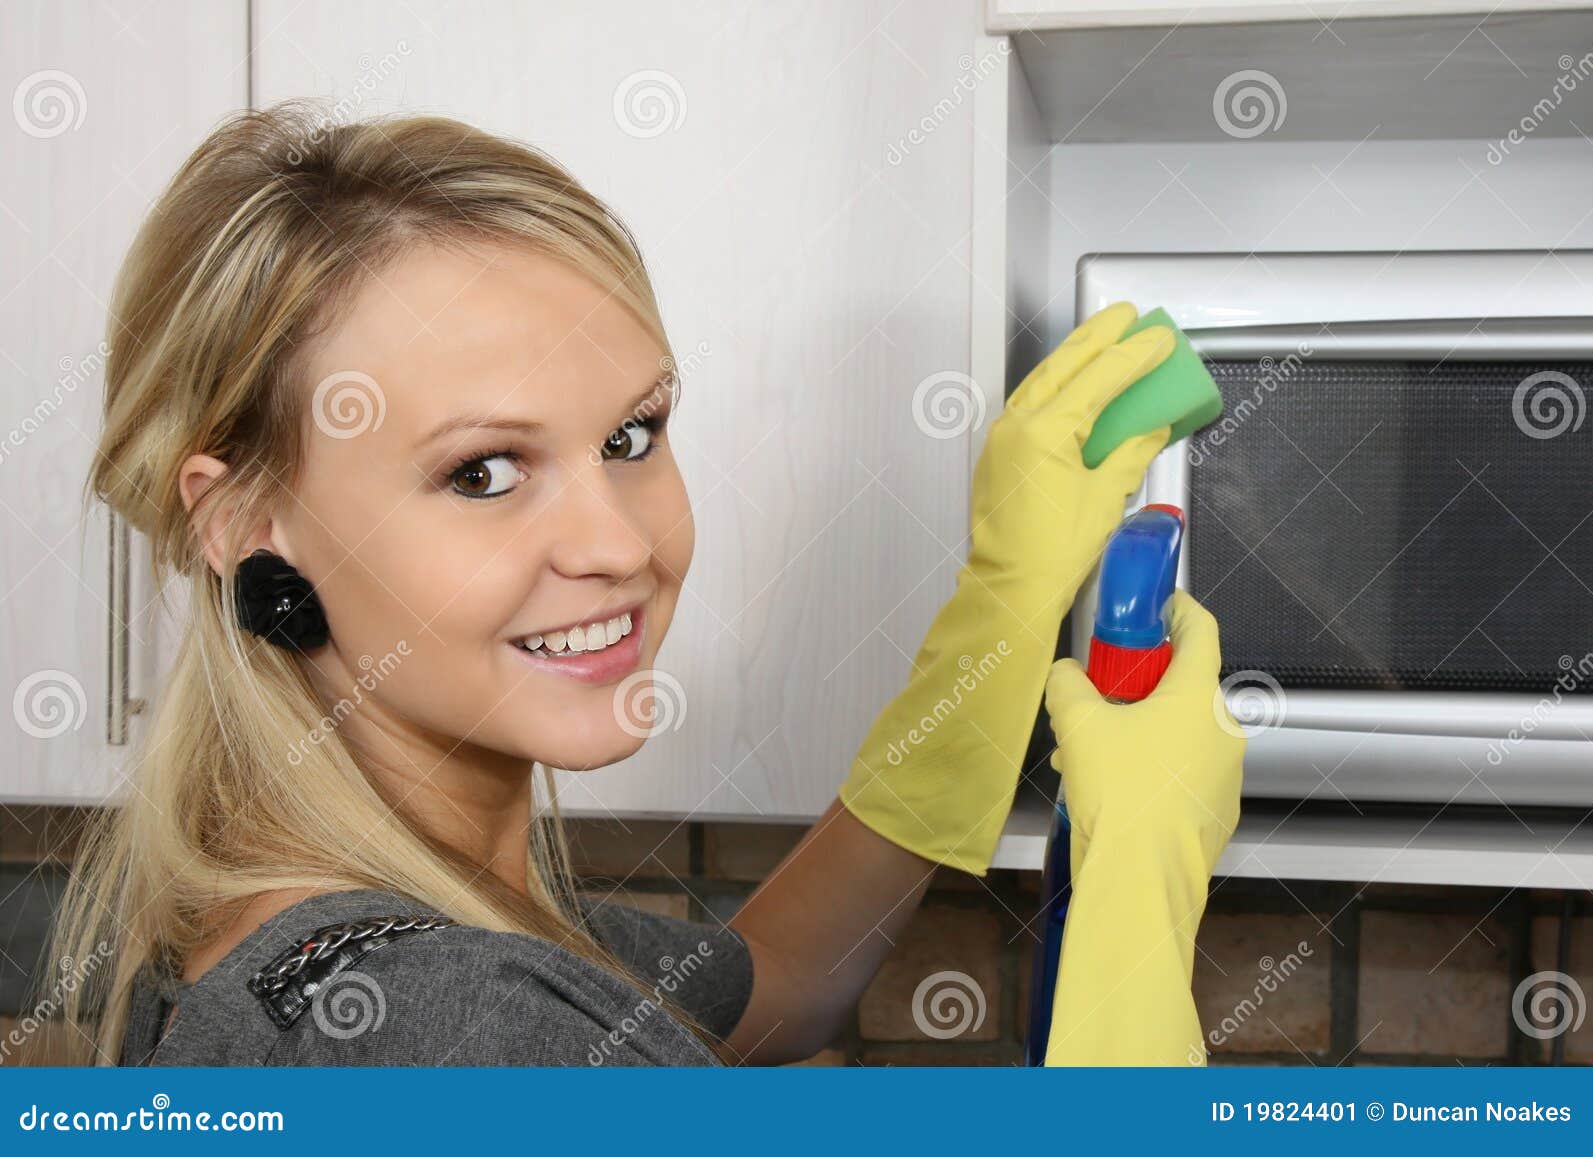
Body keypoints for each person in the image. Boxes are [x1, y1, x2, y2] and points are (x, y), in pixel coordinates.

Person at [45, 99, 1244, 1067]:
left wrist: (1006, 599)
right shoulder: (445, 1025)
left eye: (630, 436)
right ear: (248, 523)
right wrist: (1139, 888)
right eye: (484, 469)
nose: (616, 544)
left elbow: (779, 983)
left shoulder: (375, 921)